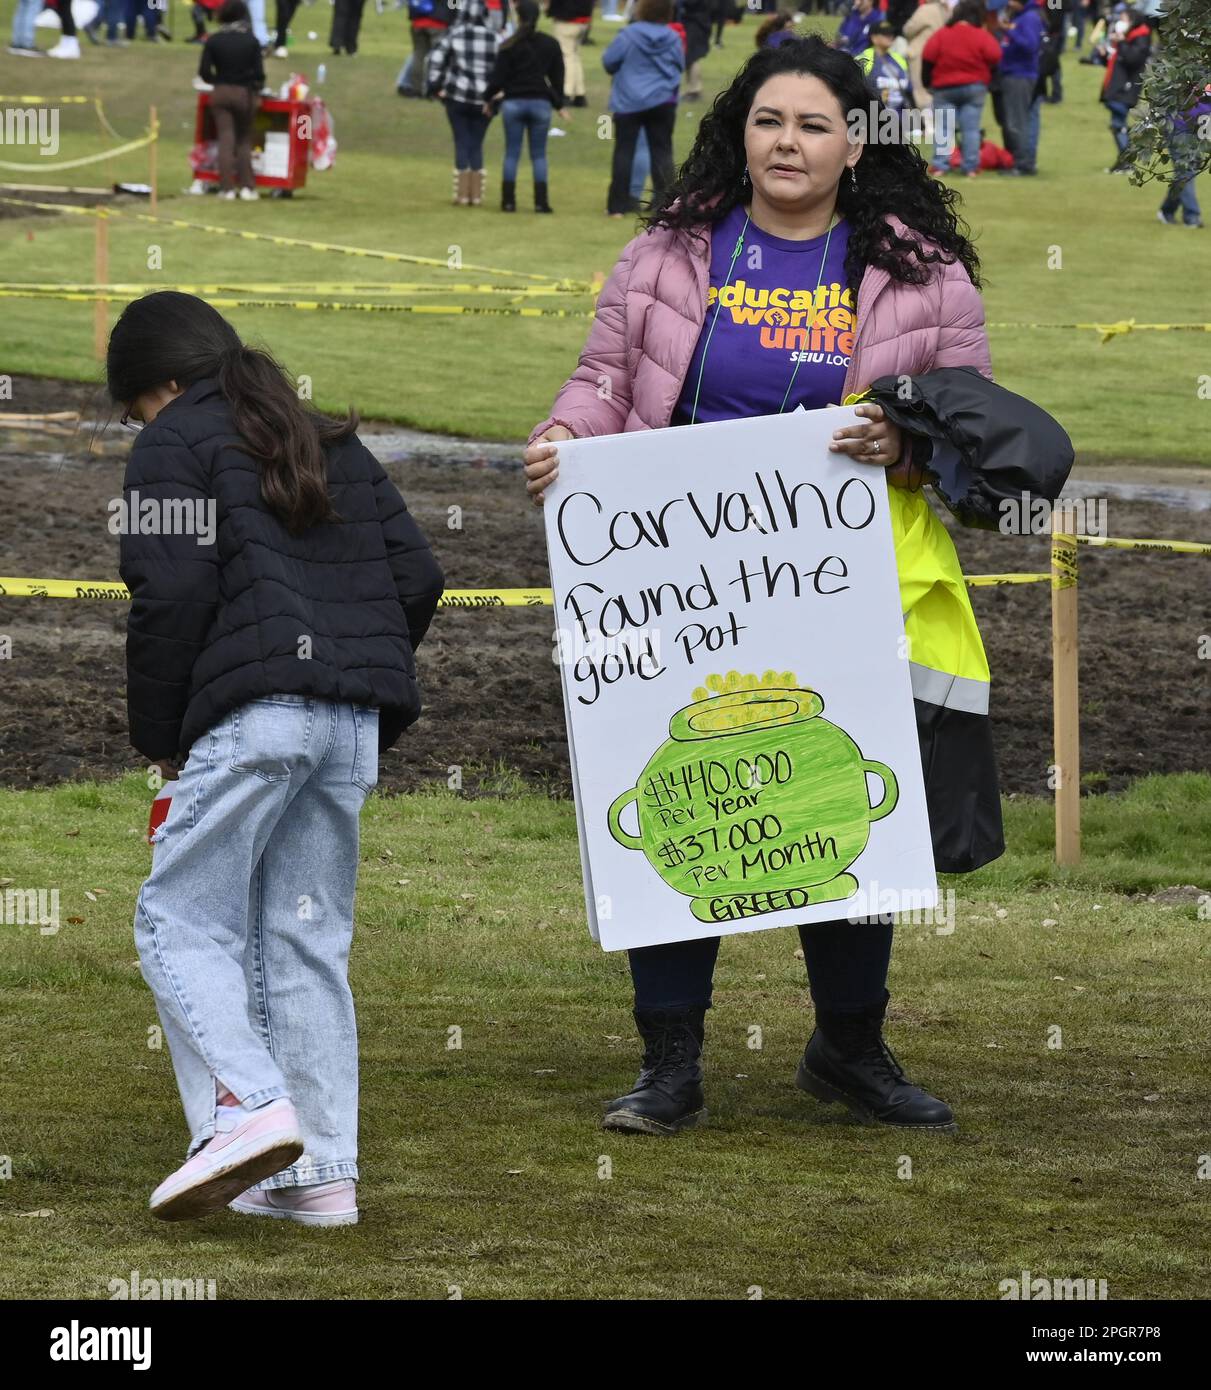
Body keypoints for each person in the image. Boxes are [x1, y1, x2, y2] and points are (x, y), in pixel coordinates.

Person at [523, 35, 1013, 1137]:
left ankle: (848, 1047)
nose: (786, 143)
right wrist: (563, 435)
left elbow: (966, 418)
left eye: (811, 125)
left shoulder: (916, 271)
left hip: (846, 585)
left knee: (836, 805)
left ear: (853, 143)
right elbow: (604, 380)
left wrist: (907, 439)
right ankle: (669, 1060)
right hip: (679, 577)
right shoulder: (666, 253)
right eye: (766, 121)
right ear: (737, 130)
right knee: (686, 798)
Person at [109, 290, 443, 1222]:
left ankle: (248, 1111)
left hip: (253, 721)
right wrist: (352, 666)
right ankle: (319, 1178)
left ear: (164, 386)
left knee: (180, 921)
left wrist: (163, 738)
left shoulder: (171, 442)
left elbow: (168, 596)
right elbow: (419, 574)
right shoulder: (325, 438)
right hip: (349, 727)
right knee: (302, 939)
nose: (141, 424)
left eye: (136, 408)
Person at [603, 0, 685, 216]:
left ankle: (617, 206)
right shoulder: (673, 37)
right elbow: (679, 65)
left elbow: (609, 61)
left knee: (624, 151)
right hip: (663, 99)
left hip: (630, 100)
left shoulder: (628, 35)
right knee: (662, 152)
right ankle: (665, 204)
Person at [486, 0, 568, 212]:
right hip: (540, 103)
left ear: (519, 16)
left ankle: (508, 201)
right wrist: (558, 102)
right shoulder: (550, 44)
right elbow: (557, 77)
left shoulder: (508, 45)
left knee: (512, 153)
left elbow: (497, 79)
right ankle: (541, 203)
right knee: (539, 155)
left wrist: (488, 98)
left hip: (513, 103)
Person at [428, 0, 502, 206]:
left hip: (457, 96)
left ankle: (461, 194)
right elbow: (504, 69)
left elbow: (434, 59)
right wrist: (498, 96)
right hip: (485, 100)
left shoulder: (455, 34)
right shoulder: (496, 38)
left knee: (461, 140)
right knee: (476, 143)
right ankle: (476, 195)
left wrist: (435, 87)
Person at [922, 0, 1002, 177]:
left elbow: (928, 56)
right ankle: (971, 167)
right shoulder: (980, 35)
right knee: (971, 128)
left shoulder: (942, 34)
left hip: (944, 87)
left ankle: (940, 166)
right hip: (974, 87)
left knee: (943, 128)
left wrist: (927, 82)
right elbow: (995, 54)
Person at [200, 0, 266, 202]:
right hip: (243, 93)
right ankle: (247, 187)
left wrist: (218, 81)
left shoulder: (214, 40)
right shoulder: (251, 40)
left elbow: (203, 72)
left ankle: (226, 188)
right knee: (244, 140)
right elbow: (259, 74)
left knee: (225, 139)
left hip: (220, 92)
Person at [993, 0, 1045, 175]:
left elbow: (1030, 45)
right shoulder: (1025, 16)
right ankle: (1025, 162)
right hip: (1018, 73)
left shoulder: (1029, 18)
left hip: (1019, 74)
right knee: (1022, 120)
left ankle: (1022, 164)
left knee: (1016, 122)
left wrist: (1009, 30)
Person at [1099, 6, 1151, 172]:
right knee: (1117, 124)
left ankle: (1126, 160)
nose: (1120, 22)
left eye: (1124, 18)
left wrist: (1121, 42)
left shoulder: (1140, 38)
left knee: (1118, 124)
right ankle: (1125, 160)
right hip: (1119, 88)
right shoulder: (1130, 38)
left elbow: (1132, 59)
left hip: (1124, 89)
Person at [1157, 82, 1207, 228]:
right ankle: (1192, 216)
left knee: (1187, 171)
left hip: (1200, 130)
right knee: (1186, 171)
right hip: (1179, 127)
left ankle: (1167, 210)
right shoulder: (1191, 68)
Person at [400, 0, 454, 97]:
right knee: (439, 57)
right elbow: (453, 4)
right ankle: (435, 89)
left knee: (418, 56)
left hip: (418, 21)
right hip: (438, 22)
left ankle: (417, 89)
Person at [858, 19, 913, 110]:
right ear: (873, 38)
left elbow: (909, 87)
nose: (890, 36)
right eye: (885, 34)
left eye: (891, 34)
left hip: (900, 117)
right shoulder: (864, 59)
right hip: (872, 117)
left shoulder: (899, 59)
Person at [903, 0, 948, 108]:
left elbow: (908, 29)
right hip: (939, 53)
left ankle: (928, 122)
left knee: (921, 91)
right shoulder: (945, 10)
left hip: (921, 53)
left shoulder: (925, 9)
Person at [548, 0, 594, 107]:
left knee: (566, 56)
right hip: (583, 20)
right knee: (575, 56)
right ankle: (579, 94)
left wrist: (551, 11)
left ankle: (566, 92)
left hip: (567, 19)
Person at [677, 0, 711, 96]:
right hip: (693, 23)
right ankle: (691, 88)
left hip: (696, 24)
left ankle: (695, 89)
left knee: (692, 57)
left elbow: (691, 3)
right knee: (689, 58)